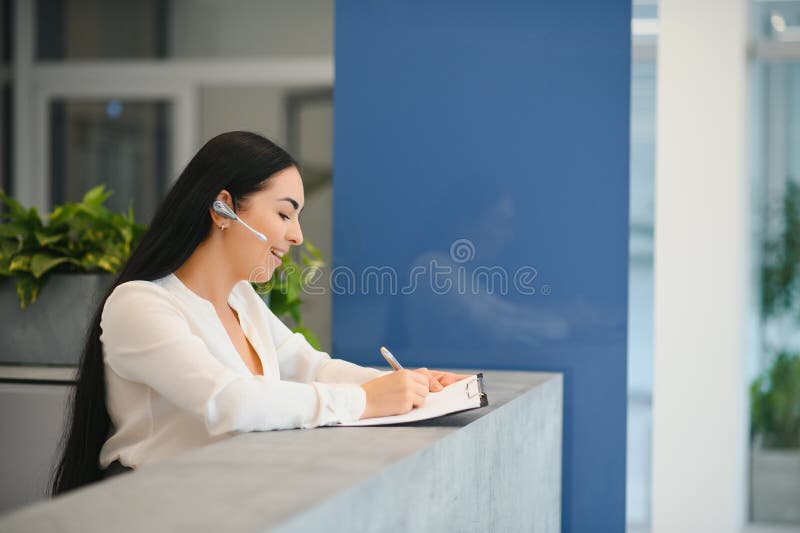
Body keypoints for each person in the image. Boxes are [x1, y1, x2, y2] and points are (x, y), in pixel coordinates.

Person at [49, 131, 469, 496]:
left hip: (231, 496)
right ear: (223, 208)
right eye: (284, 214)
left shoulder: (243, 299)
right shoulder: (140, 304)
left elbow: (311, 368)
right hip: (160, 506)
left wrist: (407, 384)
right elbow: (227, 401)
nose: (297, 235)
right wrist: (363, 401)